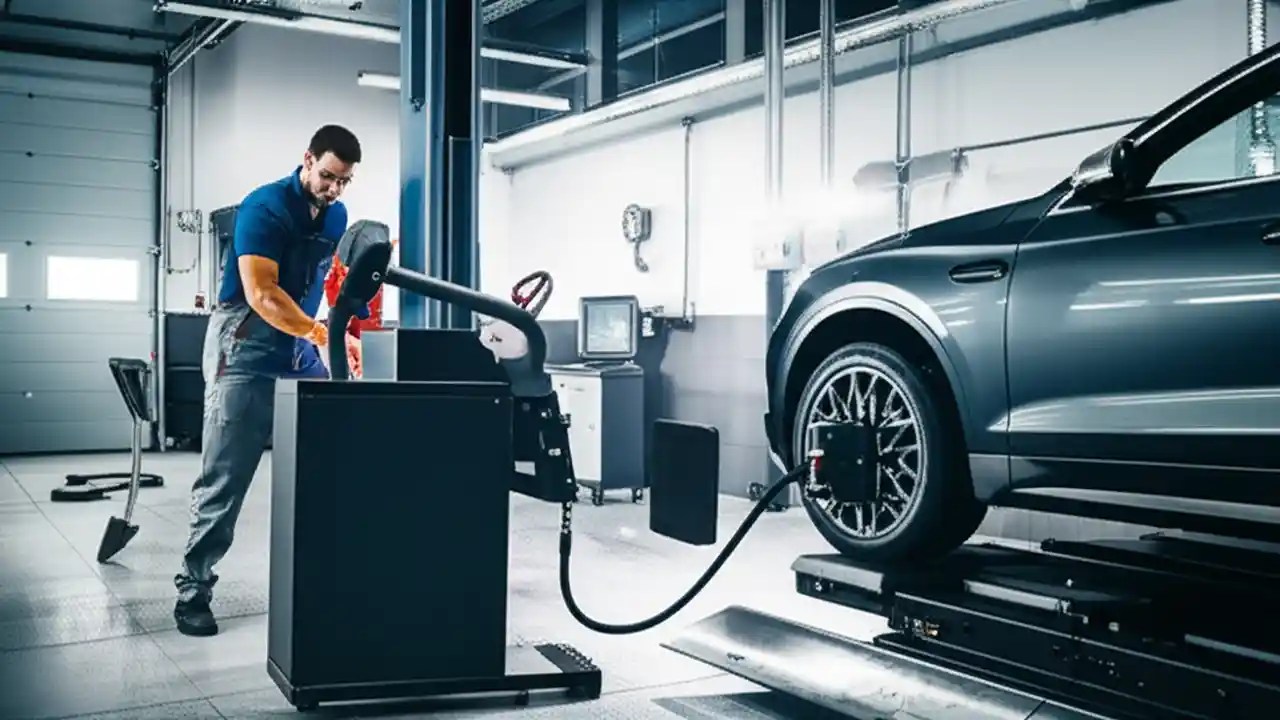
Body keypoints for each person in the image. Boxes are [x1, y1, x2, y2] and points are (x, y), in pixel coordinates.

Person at [173, 125, 365, 636]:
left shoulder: (337, 216)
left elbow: (325, 283)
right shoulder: (263, 207)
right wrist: (320, 332)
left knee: (335, 453)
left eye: (344, 181)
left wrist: (339, 333)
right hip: (244, 342)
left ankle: (327, 578)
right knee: (226, 475)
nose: (334, 189)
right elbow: (261, 293)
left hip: (297, 344)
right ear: (307, 159)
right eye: (328, 177)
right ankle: (193, 590)